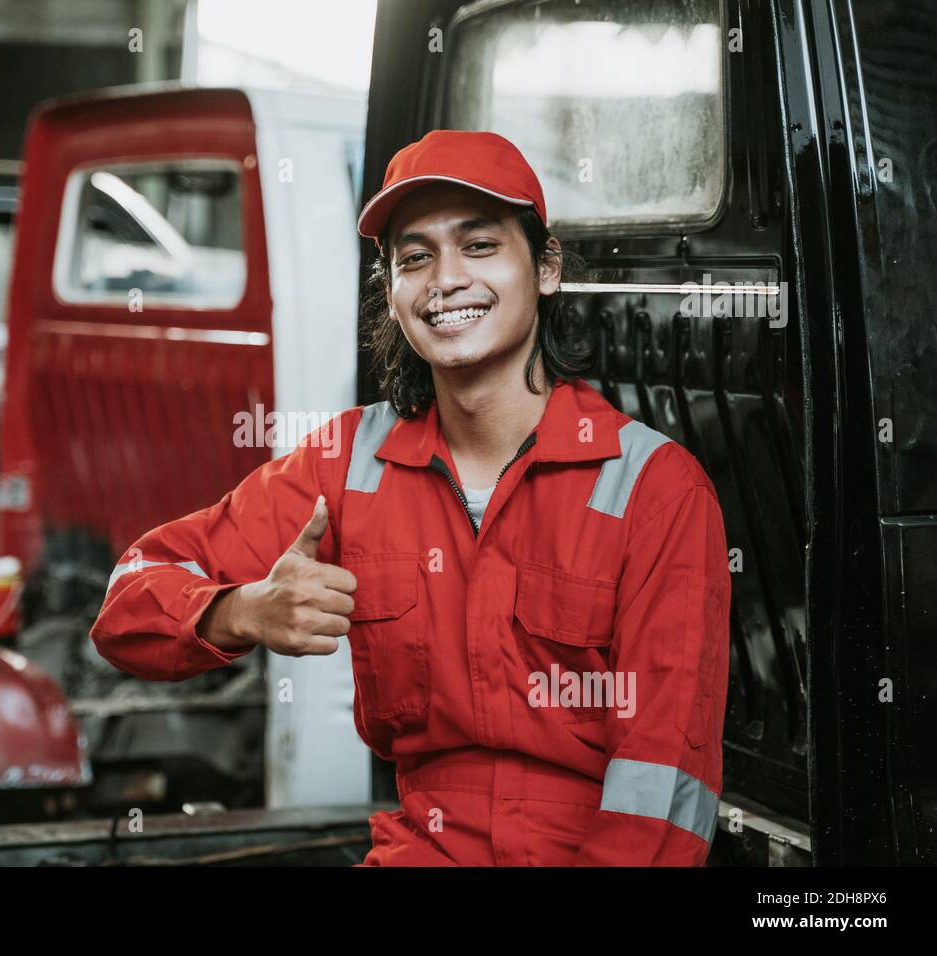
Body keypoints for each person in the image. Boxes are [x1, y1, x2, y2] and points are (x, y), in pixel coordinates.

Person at [89, 129, 731, 866]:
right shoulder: (344, 463)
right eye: (415, 258)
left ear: (547, 267)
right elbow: (127, 603)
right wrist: (243, 611)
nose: (444, 281)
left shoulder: (655, 487)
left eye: (480, 246)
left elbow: (663, 782)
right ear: (391, 293)